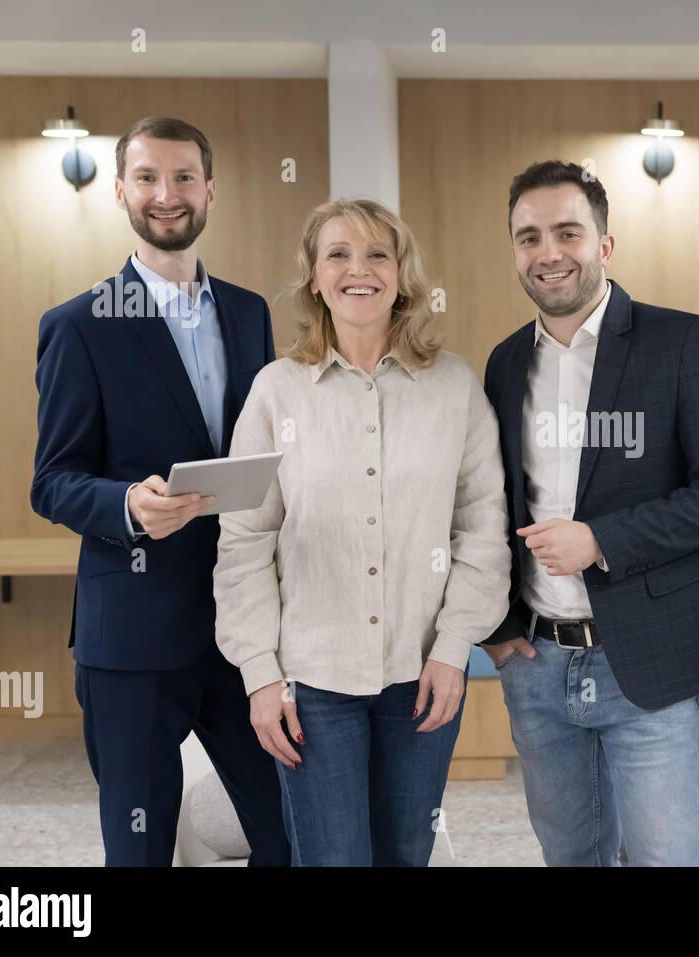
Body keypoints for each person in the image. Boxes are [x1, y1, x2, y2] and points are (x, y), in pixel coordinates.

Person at [214, 198, 510, 866]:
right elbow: (244, 541)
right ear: (314, 278)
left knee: (407, 852)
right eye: (338, 254)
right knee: (331, 856)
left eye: (379, 253)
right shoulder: (273, 392)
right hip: (311, 684)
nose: (360, 269)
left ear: (404, 274)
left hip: (423, 675)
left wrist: (456, 644)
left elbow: (482, 525)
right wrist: (260, 674)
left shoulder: (454, 386)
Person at [479, 160, 699, 866]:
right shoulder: (506, 363)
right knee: (571, 858)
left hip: (649, 660)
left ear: (605, 244)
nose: (548, 253)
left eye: (567, 232)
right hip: (538, 665)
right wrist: (500, 625)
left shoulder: (681, 341)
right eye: (529, 237)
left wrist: (601, 538)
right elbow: (492, 504)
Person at [30, 116, 288, 866]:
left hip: (244, 633)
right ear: (120, 192)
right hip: (133, 637)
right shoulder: (79, 326)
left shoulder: (249, 313)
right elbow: (52, 481)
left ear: (211, 190)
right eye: (147, 178)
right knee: (140, 851)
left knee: (292, 833)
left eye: (182, 178)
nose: (166, 195)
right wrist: (127, 507)